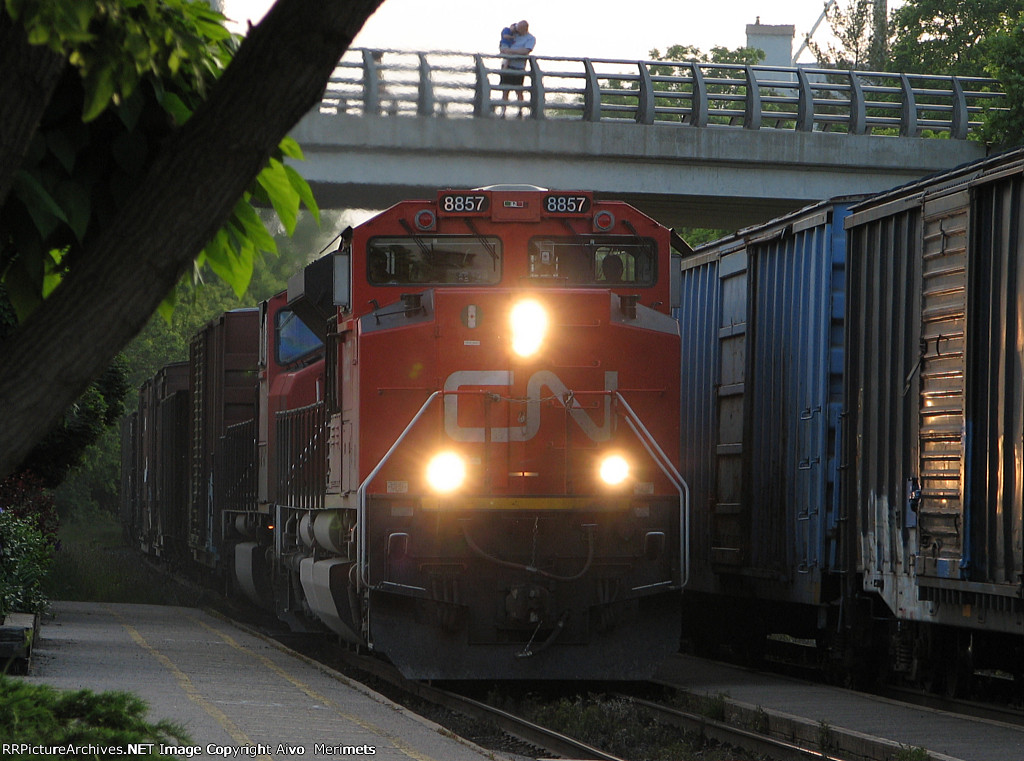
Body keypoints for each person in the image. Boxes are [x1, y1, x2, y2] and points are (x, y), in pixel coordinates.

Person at [499, 20, 536, 117]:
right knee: (505, 89)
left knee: (519, 90)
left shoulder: (530, 38)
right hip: (507, 65)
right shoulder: (514, 34)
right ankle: (503, 111)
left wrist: (510, 52)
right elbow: (504, 39)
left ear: (525, 29)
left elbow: (525, 51)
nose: (517, 30)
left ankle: (520, 110)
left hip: (518, 67)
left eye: (519, 29)